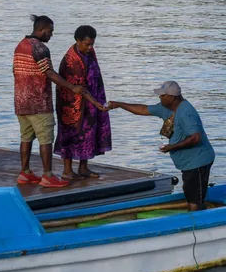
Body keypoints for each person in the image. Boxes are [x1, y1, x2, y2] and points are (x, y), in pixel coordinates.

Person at [14, 15, 102, 188]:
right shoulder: (39, 48)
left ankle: (25, 173)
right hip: (39, 102)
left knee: (26, 138)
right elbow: (50, 73)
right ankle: (48, 175)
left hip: (21, 101)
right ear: (41, 29)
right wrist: (72, 87)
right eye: (50, 31)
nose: (51, 35)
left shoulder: (20, 46)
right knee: (45, 139)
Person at [108, 81, 215, 211]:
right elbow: (142, 109)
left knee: (194, 201)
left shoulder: (186, 112)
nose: (159, 97)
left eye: (162, 95)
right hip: (187, 163)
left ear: (172, 97)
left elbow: (195, 138)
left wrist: (172, 147)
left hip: (198, 162)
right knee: (191, 192)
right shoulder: (165, 107)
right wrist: (119, 105)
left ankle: (197, 223)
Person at [54, 25, 112, 180]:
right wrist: (95, 102)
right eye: (87, 44)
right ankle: (67, 170)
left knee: (88, 135)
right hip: (72, 105)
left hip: (90, 102)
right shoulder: (72, 60)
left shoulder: (89, 52)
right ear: (77, 41)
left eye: (92, 44)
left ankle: (83, 168)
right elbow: (79, 89)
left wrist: (97, 101)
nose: (90, 47)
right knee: (71, 135)